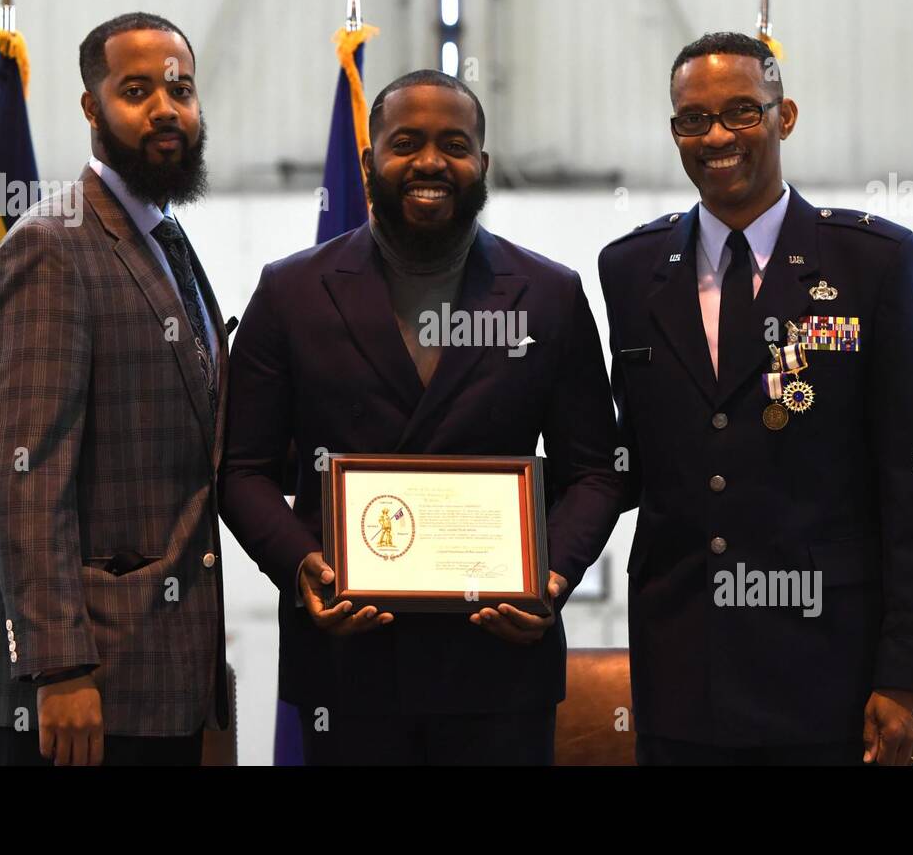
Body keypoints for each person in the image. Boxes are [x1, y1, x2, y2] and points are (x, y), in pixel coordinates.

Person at [221, 70, 624, 764]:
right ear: (370, 159)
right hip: (347, 664)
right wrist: (299, 565)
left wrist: (552, 578)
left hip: (501, 664)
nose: (431, 162)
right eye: (405, 142)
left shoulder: (551, 295)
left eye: (454, 144)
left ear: (482, 164)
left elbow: (596, 471)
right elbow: (241, 469)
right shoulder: (289, 292)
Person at [598, 31, 913, 765]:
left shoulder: (871, 264)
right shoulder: (631, 270)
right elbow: (621, 462)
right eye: (693, 120)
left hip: (827, 671)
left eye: (741, 113)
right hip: (681, 670)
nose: (717, 136)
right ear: (674, 132)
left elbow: (912, 484)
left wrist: (911, 672)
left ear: (783, 116)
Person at [0, 12, 228, 766]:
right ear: (91, 108)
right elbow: (26, 479)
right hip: (74, 691)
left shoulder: (167, 239)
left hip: (158, 677)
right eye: (136, 91)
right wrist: (60, 669)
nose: (166, 108)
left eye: (180, 88)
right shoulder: (51, 247)